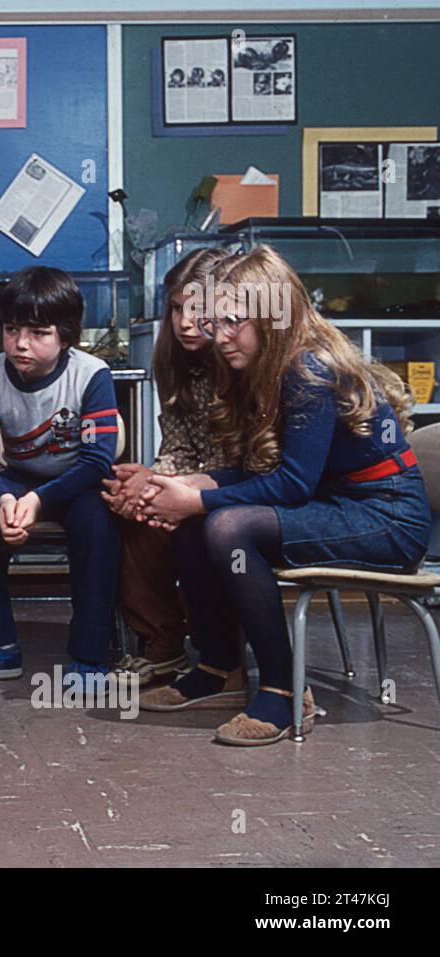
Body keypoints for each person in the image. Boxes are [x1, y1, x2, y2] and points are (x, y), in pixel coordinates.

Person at [137, 245, 430, 745]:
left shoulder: (307, 369)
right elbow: (260, 471)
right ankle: (219, 668)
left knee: (229, 526)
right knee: (193, 525)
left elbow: (294, 485)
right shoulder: (262, 366)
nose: (220, 336)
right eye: (216, 323)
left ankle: (283, 690)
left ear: (273, 317)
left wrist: (201, 499)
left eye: (234, 322)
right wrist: (190, 488)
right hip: (339, 505)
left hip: (387, 518)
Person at [0, 266, 121, 686]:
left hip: (78, 483)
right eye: (12, 329)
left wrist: (38, 502)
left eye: (39, 332)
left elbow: (96, 462)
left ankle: (92, 656)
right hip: (17, 481)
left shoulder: (92, 375)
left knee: (99, 519)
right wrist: (3, 499)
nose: (21, 343)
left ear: (66, 336)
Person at [101, 247, 236, 684]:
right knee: (132, 507)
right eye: (177, 309)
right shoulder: (175, 362)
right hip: (195, 481)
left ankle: (217, 646)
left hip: (238, 489)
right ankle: (163, 645)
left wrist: (159, 484)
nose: (183, 322)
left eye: (198, 311)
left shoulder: (242, 363)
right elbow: (177, 446)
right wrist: (148, 481)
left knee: (164, 512)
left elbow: (247, 461)